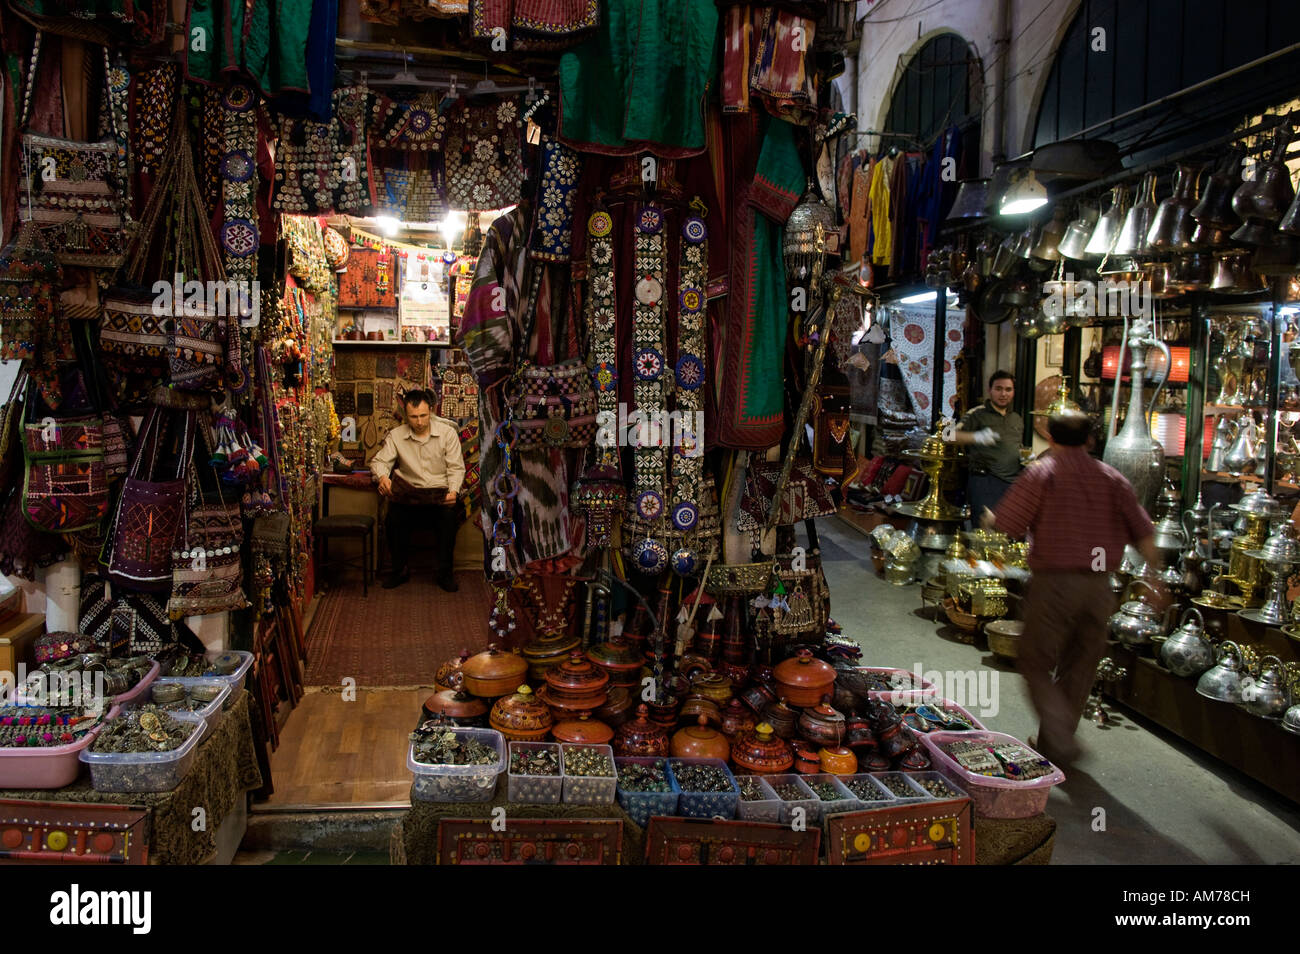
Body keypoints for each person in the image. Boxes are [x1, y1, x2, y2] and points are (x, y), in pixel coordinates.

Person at [984, 409, 1159, 766]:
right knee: (1079, 666)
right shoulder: (1113, 479)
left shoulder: (1044, 474)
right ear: (1091, 440)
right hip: (1099, 585)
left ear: (1050, 437)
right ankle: (1052, 745)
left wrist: (990, 519)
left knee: (1034, 662)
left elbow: (1009, 525)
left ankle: (1061, 737)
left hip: (1056, 584)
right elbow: (1144, 532)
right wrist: (1154, 580)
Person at [369, 390, 466, 592]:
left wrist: (453, 491)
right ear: (406, 415)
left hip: (440, 499)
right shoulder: (397, 436)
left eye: (423, 415)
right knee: (393, 519)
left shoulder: (447, 434)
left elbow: (456, 468)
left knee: (450, 518)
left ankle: (444, 573)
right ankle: (400, 570)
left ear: (430, 411)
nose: (419, 421)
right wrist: (383, 477)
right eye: (414, 417)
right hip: (409, 500)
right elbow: (379, 461)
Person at [944, 370, 1023, 519]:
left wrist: (1028, 457)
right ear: (990, 390)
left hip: (1012, 483)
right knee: (983, 531)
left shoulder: (1016, 418)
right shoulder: (978, 414)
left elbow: (1016, 445)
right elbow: (948, 436)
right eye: (998, 389)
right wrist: (977, 437)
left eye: (1008, 389)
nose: (1003, 394)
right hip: (986, 481)